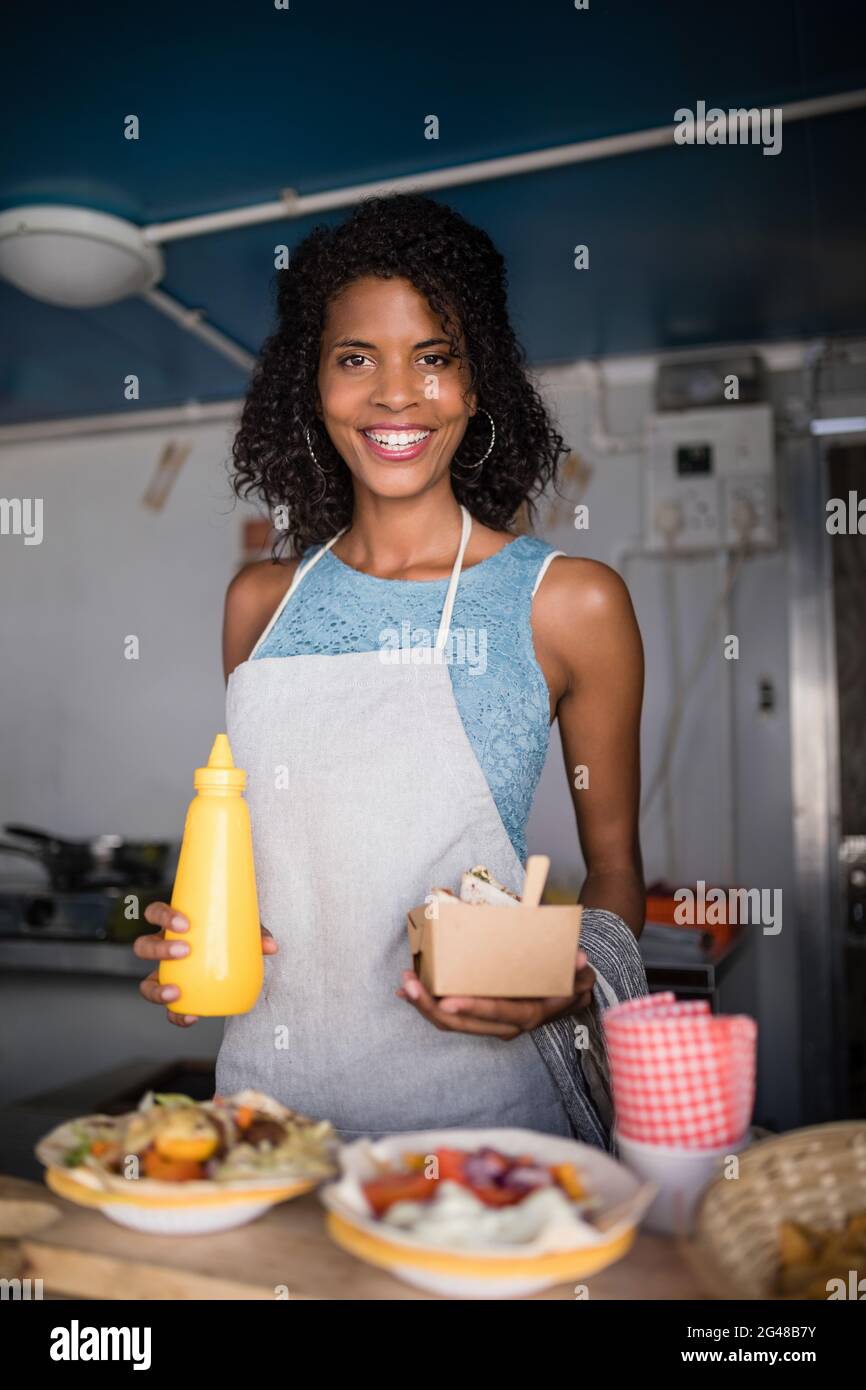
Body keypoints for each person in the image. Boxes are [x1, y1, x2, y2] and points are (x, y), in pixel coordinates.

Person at [136, 194, 648, 1147]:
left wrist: (565, 980)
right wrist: (199, 937)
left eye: (435, 357)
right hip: (266, 1121)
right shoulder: (260, 603)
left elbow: (615, 871)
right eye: (357, 358)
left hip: (480, 1138)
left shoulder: (569, 604)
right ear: (313, 383)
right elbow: (269, 864)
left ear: (478, 381)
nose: (395, 394)